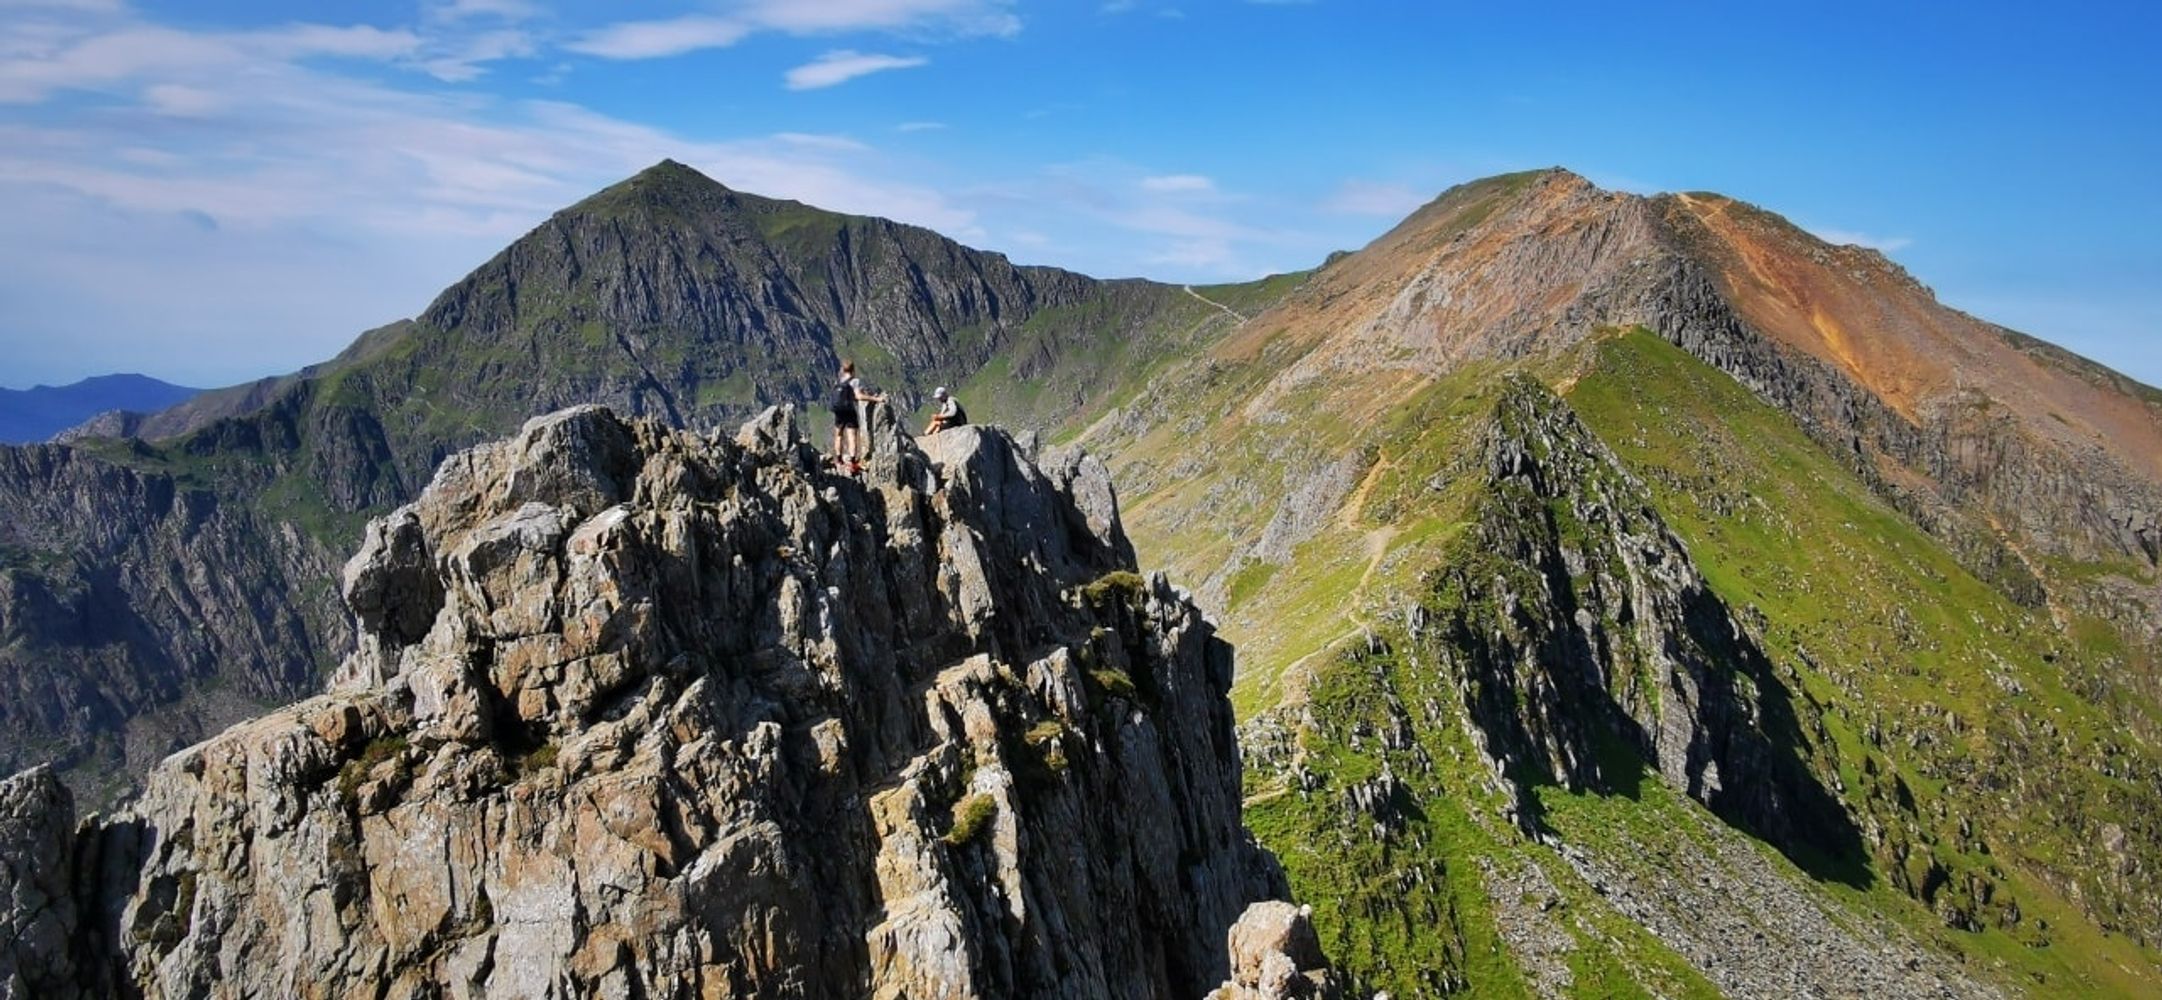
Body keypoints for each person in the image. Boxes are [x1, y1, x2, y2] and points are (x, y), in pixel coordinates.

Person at [829, 359, 885, 473]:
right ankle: (853, 463)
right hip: (849, 410)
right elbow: (858, 396)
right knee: (851, 436)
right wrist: (876, 399)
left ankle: (838, 460)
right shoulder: (854, 381)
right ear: (853, 370)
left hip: (838, 410)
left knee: (838, 434)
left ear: (842, 369)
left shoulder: (839, 381)